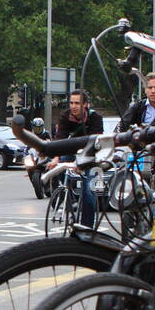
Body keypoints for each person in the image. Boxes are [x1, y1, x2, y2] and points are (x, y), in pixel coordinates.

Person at [53, 90, 105, 226]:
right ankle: (71, 198)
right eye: (71, 103)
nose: (74, 106)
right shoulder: (65, 116)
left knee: (89, 192)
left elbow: (94, 143)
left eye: (77, 103)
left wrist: (80, 163)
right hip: (72, 151)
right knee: (57, 168)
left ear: (86, 105)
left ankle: (86, 227)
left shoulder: (96, 118)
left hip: (91, 155)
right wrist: (55, 158)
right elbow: (60, 140)